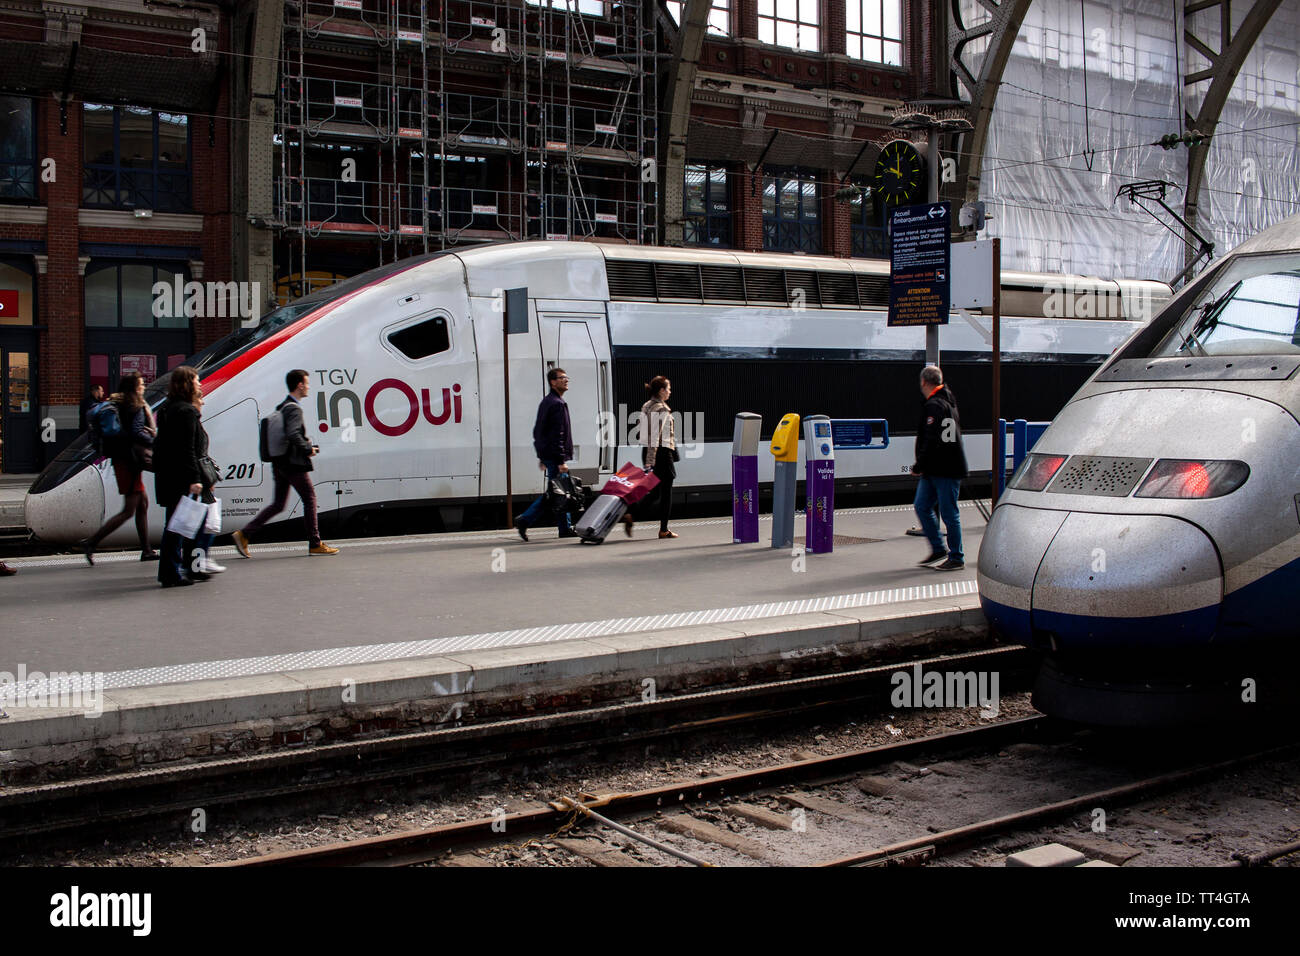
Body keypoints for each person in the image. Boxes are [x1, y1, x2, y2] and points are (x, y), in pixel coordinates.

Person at [231, 369, 339, 557]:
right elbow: (293, 434)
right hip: (292, 464)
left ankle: (244, 534)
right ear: (299, 385)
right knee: (310, 499)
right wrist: (308, 449)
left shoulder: (282, 406)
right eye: (306, 383)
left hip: (279, 463)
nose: (308, 387)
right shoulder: (294, 408)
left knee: (279, 504)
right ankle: (315, 543)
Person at [82, 372, 159, 564]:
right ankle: (91, 543)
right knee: (129, 510)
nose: (144, 386)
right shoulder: (135, 406)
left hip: (122, 459)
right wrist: (155, 440)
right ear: (134, 387)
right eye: (141, 384)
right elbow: (136, 433)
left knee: (142, 505)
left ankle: (147, 550)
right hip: (130, 462)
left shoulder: (117, 403)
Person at [153, 366, 218, 588]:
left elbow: (162, 447)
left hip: (168, 476)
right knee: (178, 527)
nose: (200, 385)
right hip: (183, 478)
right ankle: (172, 572)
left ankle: (189, 567)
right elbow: (187, 449)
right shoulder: (187, 413)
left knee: (182, 524)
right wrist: (195, 479)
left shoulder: (166, 409)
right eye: (197, 381)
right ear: (188, 384)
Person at [912, 365, 967, 571]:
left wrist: (919, 465)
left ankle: (956, 557)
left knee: (949, 513)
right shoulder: (947, 402)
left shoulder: (935, 405)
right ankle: (938, 548)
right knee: (922, 505)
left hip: (944, 468)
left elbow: (931, 439)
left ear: (924, 382)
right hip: (936, 468)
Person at [514, 368, 576, 541]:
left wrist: (542, 456)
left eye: (566, 377)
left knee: (557, 492)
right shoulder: (556, 403)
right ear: (552, 382)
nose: (566, 380)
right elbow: (557, 434)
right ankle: (525, 519)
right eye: (562, 378)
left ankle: (564, 528)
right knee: (558, 492)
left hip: (550, 455)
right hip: (556, 457)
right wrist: (560, 460)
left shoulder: (548, 401)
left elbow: (538, 431)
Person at [623, 375, 678, 539]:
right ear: (661, 391)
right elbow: (655, 436)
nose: (669, 391)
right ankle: (664, 529)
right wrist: (650, 462)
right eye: (668, 388)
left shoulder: (647, 405)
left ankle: (632, 514)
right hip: (660, 452)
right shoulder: (660, 408)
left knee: (654, 492)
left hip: (648, 450)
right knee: (666, 492)